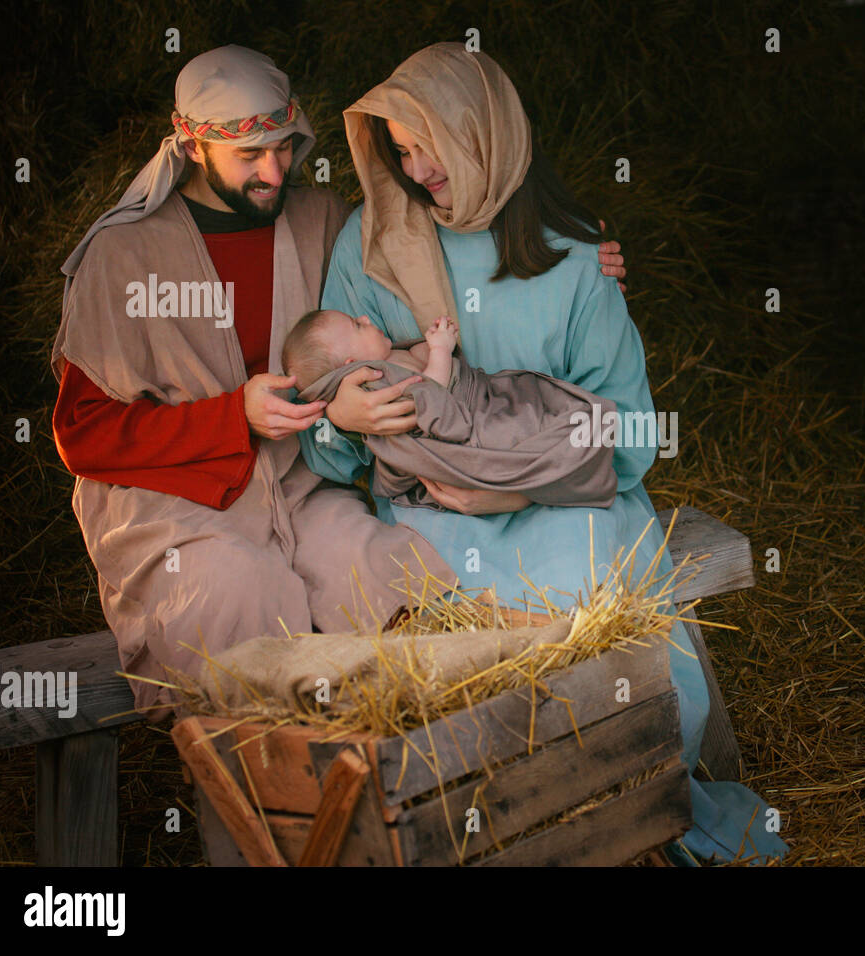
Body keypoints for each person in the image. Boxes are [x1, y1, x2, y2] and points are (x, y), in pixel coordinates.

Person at [299, 42, 786, 864]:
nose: (416, 170)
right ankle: (489, 829)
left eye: (429, 143)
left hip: (562, 502)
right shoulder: (368, 246)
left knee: (599, 644)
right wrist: (339, 418)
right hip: (430, 513)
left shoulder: (575, 257)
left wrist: (516, 487)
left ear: (485, 131)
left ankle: (611, 811)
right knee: (446, 665)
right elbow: (324, 451)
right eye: (400, 150)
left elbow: (631, 436)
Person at [50, 45, 628, 717]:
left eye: (286, 146)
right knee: (234, 593)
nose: (275, 171)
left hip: (302, 485)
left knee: (386, 572)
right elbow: (81, 436)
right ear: (192, 145)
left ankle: (442, 775)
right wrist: (231, 416)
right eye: (250, 156)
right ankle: (267, 798)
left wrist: (578, 254)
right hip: (182, 506)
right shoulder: (124, 255)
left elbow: (429, 240)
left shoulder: (318, 218)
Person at [283, 309, 618, 509]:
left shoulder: (382, 364)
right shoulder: (374, 381)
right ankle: (570, 468)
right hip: (472, 430)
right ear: (351, 363)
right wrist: (440, 350)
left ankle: (573, 455)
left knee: (550, 416)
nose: (367, 318)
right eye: (357, 326)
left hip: (481, 401)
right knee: (541, 433)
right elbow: (434, 402)